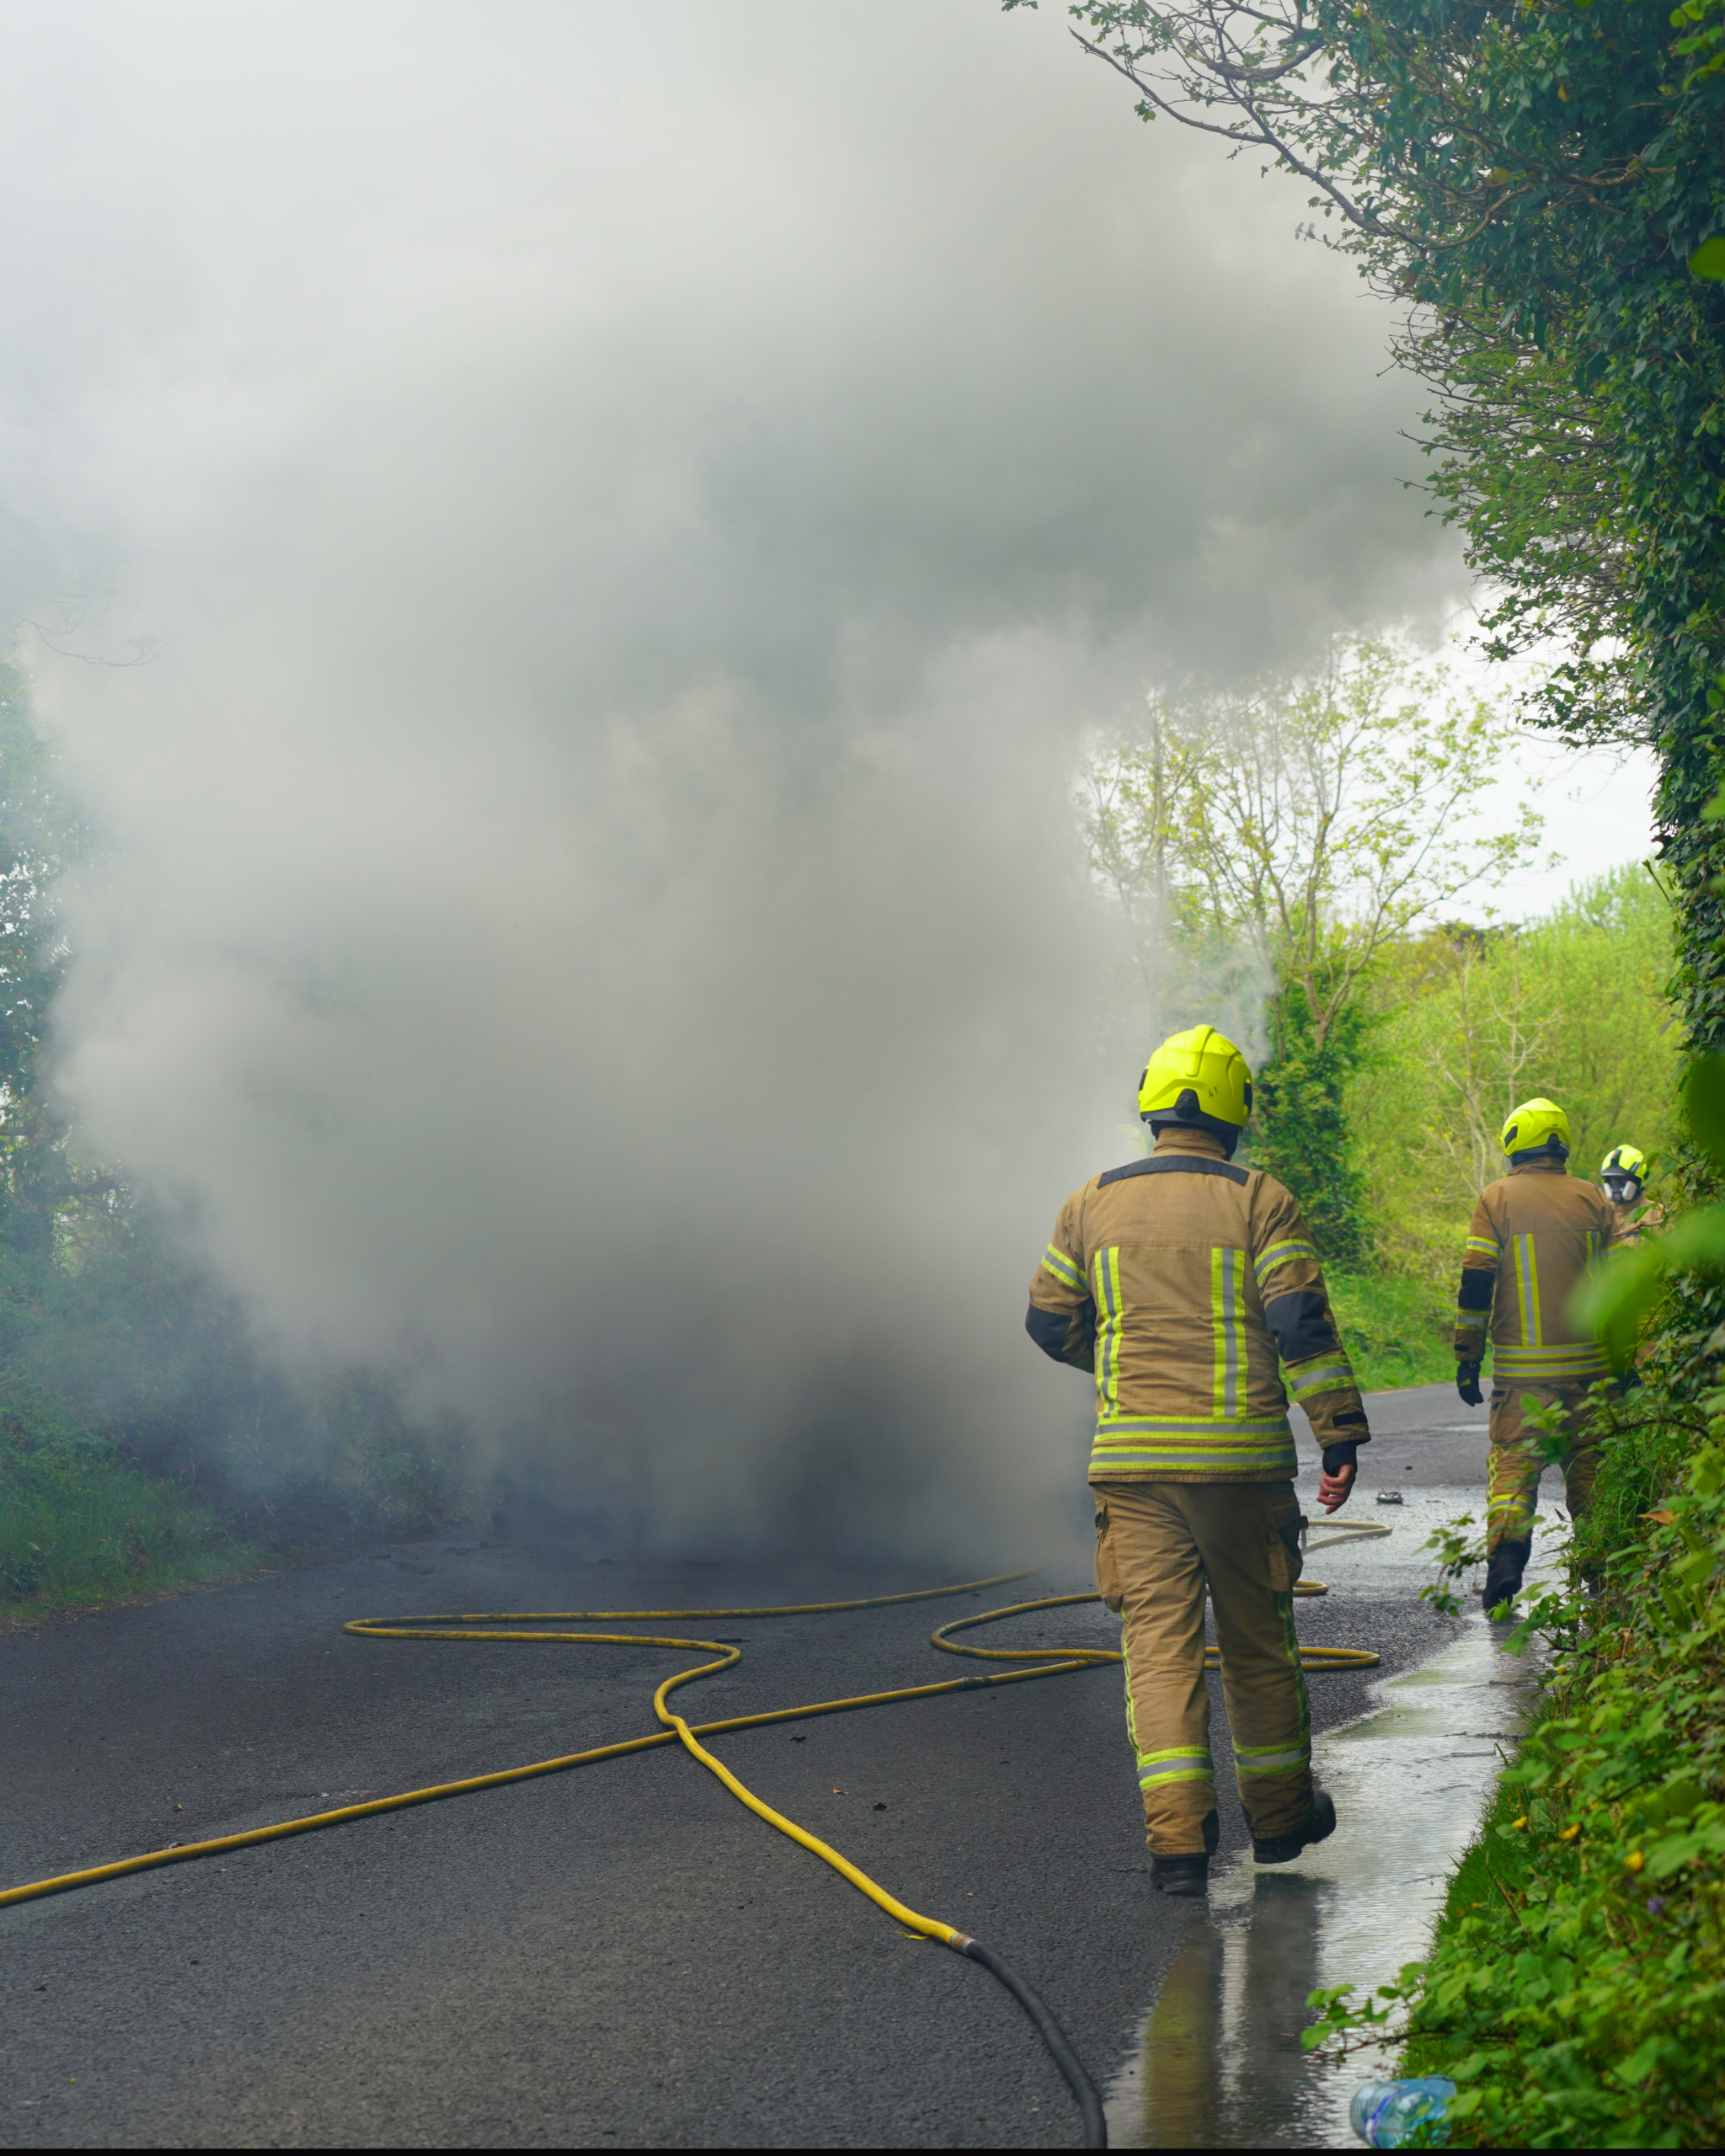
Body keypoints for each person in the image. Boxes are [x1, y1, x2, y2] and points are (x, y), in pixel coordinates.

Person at [1024, 1024, 1368, 1898]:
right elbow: (1298, 1327)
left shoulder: (1087, 1202)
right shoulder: (1260, 1200)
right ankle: (1281, 1820)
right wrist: (1336, 1429)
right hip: (1240, 1469)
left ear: (1151, 1102)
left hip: (1132, 1469)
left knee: (1157, 1650)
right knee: (1255, 1645)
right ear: (1232, 1111)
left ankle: (1177, 1844)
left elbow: (1045, 1322)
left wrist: (1113, 1368)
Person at [1455, 1098, 1616, 1614]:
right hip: (1592, 1377)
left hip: (1522, 1380)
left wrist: (1467, 1357)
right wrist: (1630, 1366)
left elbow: (1477, 1282)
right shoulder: (1594, 1199)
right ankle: (1603, 1579)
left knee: (1514, 1472)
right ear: (1561, 1142)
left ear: (1514, 1142)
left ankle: (1506, 1560)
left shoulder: (1496, 1199)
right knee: (1591, 1480)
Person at [1600, 1143, 1664, 1248]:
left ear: (1638, 1180)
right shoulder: (1602, 1213)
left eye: (1623, 1178)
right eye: (1613, 1178)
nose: (1617, 1184)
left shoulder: (1657, 1213)